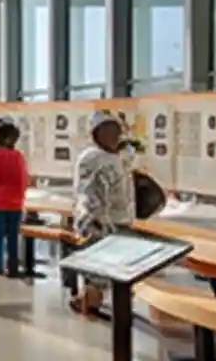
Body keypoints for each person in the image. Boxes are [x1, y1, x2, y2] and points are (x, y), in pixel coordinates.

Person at [70, 110, 136, 316]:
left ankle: (114, 299)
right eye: (106, 132)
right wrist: (93, 217)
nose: (112, 136)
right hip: (98, 221)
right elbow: (87, 191)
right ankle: (89, 300)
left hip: (121, 219)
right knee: (97, 267)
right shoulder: (91, 158)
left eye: (114, 131)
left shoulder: (119, 158)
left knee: (120, 264)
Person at [0, 119, 29, 277]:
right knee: (13, 238)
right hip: (15, 204)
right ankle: (13, 267)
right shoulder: (18, 156)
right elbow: (23, 179)